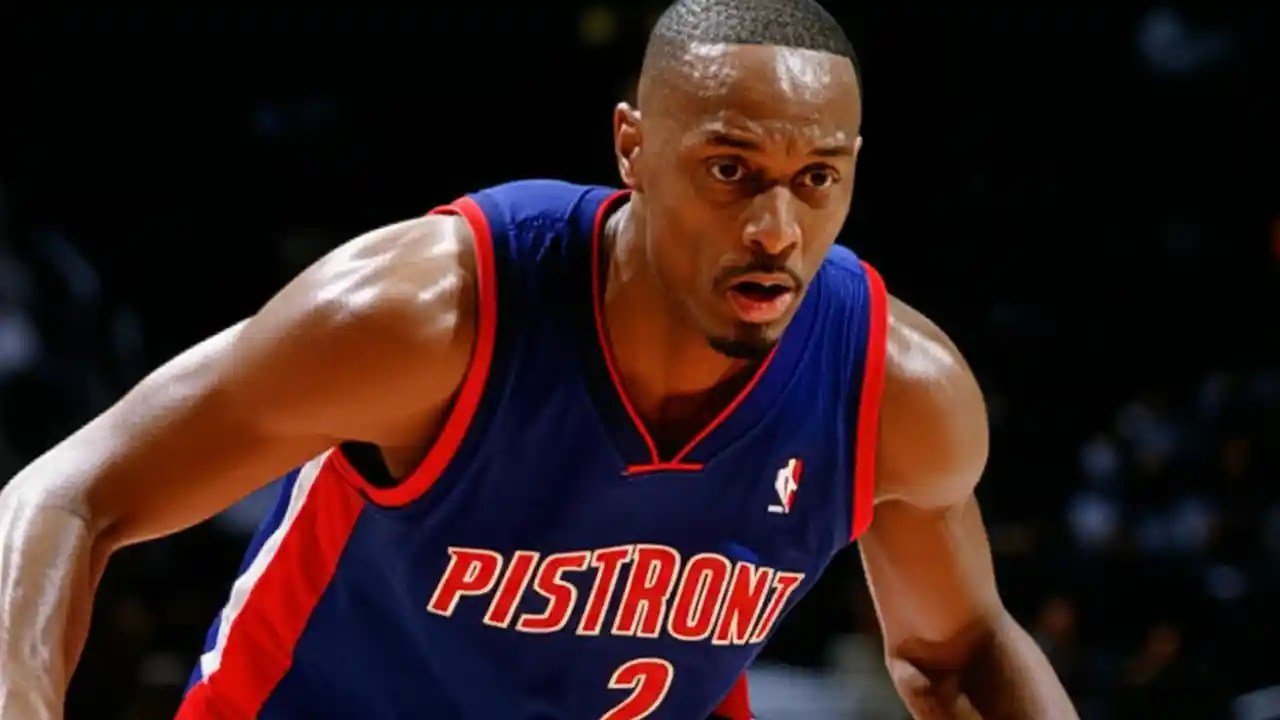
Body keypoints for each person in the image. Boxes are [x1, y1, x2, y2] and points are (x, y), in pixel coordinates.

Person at [0, 0, 1077, 717]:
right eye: (729, 169)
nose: (774, 230)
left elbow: (960, 649)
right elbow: (66, 494)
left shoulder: (893, 388)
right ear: (631, 147)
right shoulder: (427, 315)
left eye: (815, 180)